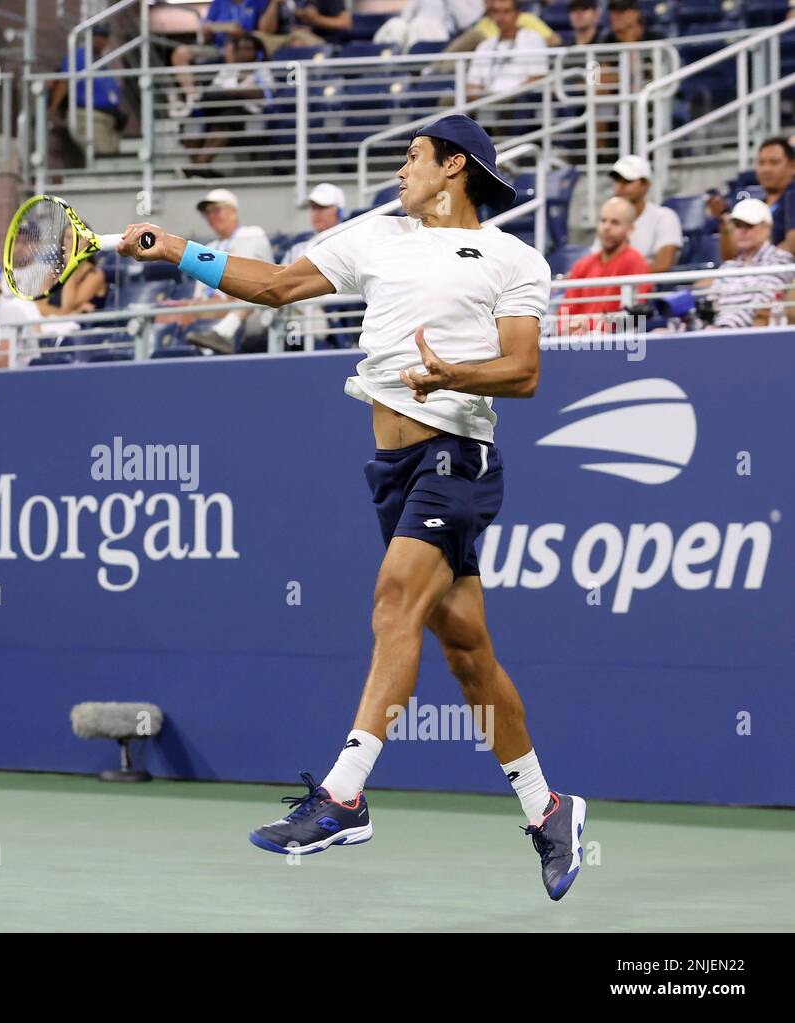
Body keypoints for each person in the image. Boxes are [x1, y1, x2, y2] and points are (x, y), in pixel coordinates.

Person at [116, 114, 587, 901]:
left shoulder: (513, 257)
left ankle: (344, 793)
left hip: (455, 456)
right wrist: (176, 251)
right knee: (468, 652)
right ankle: (550, 808)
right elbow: (274, 286)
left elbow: (524, 369)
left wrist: (452, 377)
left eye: (413, 158)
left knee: (392, 601)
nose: (400, 170)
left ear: (455, 168)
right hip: (393, 467)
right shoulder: (374, 235)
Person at [177, 187, 273, 353]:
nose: (211, 217)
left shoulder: (252, 235)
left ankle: (221, 335)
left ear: (233, 211)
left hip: (255, 311)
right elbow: (200, 297)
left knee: (253, 293)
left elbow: (256, 282)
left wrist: (223, 298)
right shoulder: (208, 248)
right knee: (176, 309)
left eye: (216, 210)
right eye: (208, 213)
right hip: (215, 309)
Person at [181, 34, 272, 175]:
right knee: (193, 119)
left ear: (257, 52)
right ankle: (202, 169)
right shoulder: (229, 69)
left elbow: (265, 94)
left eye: (248, 49)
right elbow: (214, 91)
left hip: (246, 111)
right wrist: (233, 92)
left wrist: (236, 93)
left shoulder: (262, 70)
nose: (244, 52)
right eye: (240, 49)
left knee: (225, 120)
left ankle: (197, 168)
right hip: (219, 108)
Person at [558, 196, 651, 333]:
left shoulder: (635, 261)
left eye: (615, 222)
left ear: (630, 229)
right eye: (603, 221)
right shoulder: (582, 265)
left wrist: (592, 330)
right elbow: (564, 315)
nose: (607, 227)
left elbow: (632, 315)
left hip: (613, 343)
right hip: (575, 342)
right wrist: (568, 331)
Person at [698, 199, 794, 330]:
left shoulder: (780, 260)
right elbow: (710, 307)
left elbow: (762, 306)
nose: (742, 231)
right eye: (737, 225)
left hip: (753, 338)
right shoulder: (728, 267)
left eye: (749, 226)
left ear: (767, 228)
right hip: (720, 333)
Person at [282, 182, 347, 348]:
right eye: (313, 208)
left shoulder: (349, 242)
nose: (316, 214)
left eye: (322, 208)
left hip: (321, 310)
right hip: (292, 305)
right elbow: (280, 278)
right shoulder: (300, 245)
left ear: (339, 211)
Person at [710, 137, 795, 260]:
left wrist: (757, 263)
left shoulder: (792, 196)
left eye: (774, 162)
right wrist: (724, 221)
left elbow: (792, 247)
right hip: (748, 271)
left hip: (780, 273)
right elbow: (730, 256)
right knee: (705, 279)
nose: (766, 169)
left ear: (792, 166)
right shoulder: (754, 204)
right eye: (761, 163)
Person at [48, 25, 124, 161]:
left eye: (104, 37)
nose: (101, 40)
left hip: (107, 119)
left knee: (113, 159)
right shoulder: (80, 56)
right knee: (105, 160)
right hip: (89, 117)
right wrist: (52, 110)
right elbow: (65, 81)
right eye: (97, 36)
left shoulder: (100, 61)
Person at [596, 154, 682, 272]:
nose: (620, 187)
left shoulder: (664, 217)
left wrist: (621, 281)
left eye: (627, 181)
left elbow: (663, 265)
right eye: (616, 181)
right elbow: (594, 261)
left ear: (645, 184)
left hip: (646, 289)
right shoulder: (608, 220)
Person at [170, 0, 248, 112]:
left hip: (243, 47)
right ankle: (193, 97)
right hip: (216, 47)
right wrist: (206, 31)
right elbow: (206, 34)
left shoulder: (256, 2)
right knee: (181, 53)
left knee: (230, 48)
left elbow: (261, 33)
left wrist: (241, 33)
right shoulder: (219, 2)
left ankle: (231, 89)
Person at [466, 0, 548, 101]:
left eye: (506, 11)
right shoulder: (485, 46)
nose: (500, 17)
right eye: (496, 12)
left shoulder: (532, 39)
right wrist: (483, 99)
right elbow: (471, 85)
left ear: (517, 14)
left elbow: (536, 78)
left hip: (516, 103)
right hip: (485, 104)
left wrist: (505, 98)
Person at [254, 0, 351, 53]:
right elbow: (264, 30)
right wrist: (274, 3)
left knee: (299, 41)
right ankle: (246, 81)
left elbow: (346, 23)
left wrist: (317, 20)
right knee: (254, 39)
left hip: (313, 38)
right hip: (281, 38)